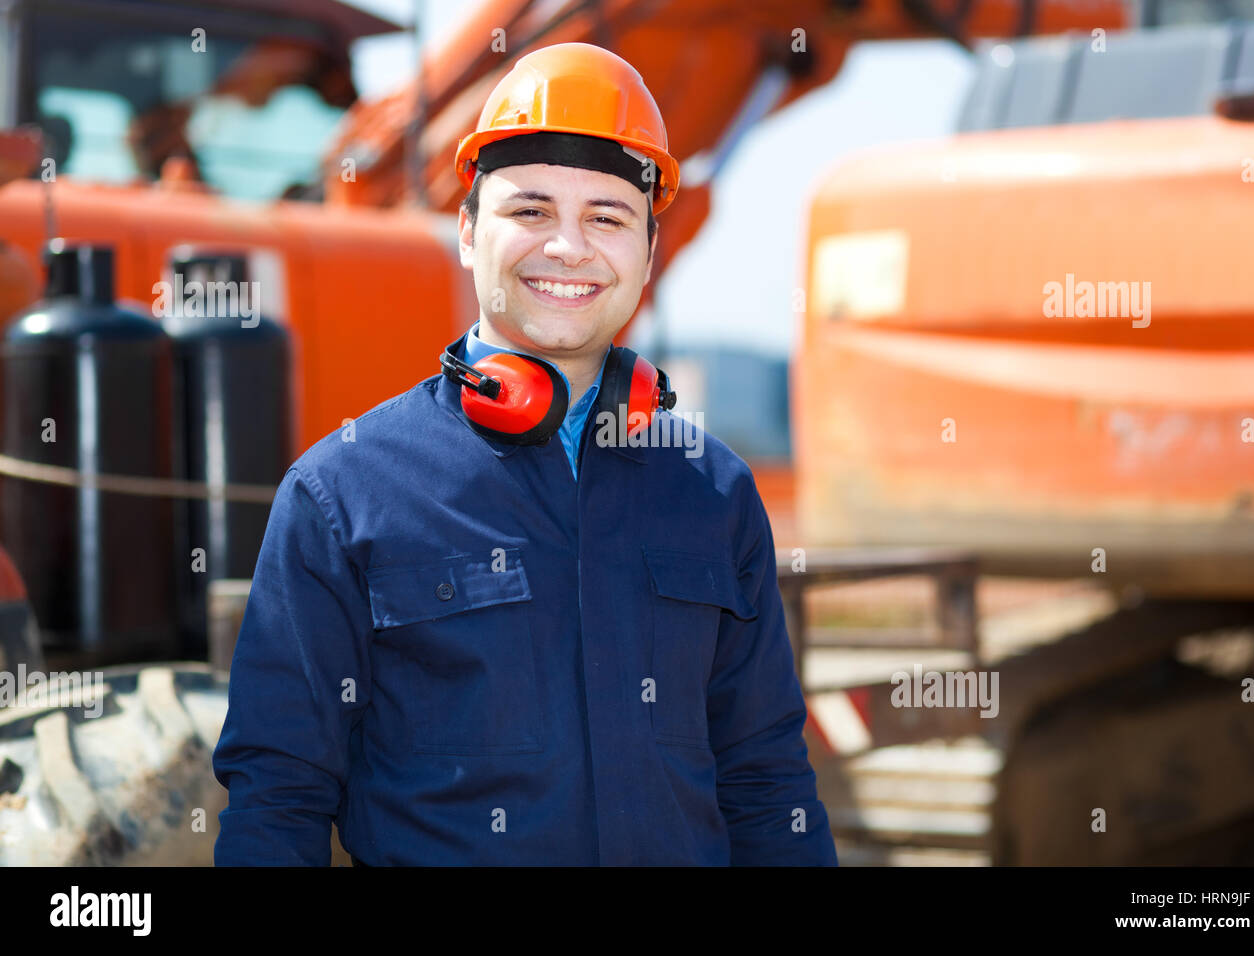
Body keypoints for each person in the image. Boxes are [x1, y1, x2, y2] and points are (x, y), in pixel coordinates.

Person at [211, 42, 837, 866]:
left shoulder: (712, 491)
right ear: (468, 233)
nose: (569, 248)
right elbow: (278, 799)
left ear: (648, 254)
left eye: (607, 218)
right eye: (531, 210)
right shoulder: (342, 493)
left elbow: (765, 780)